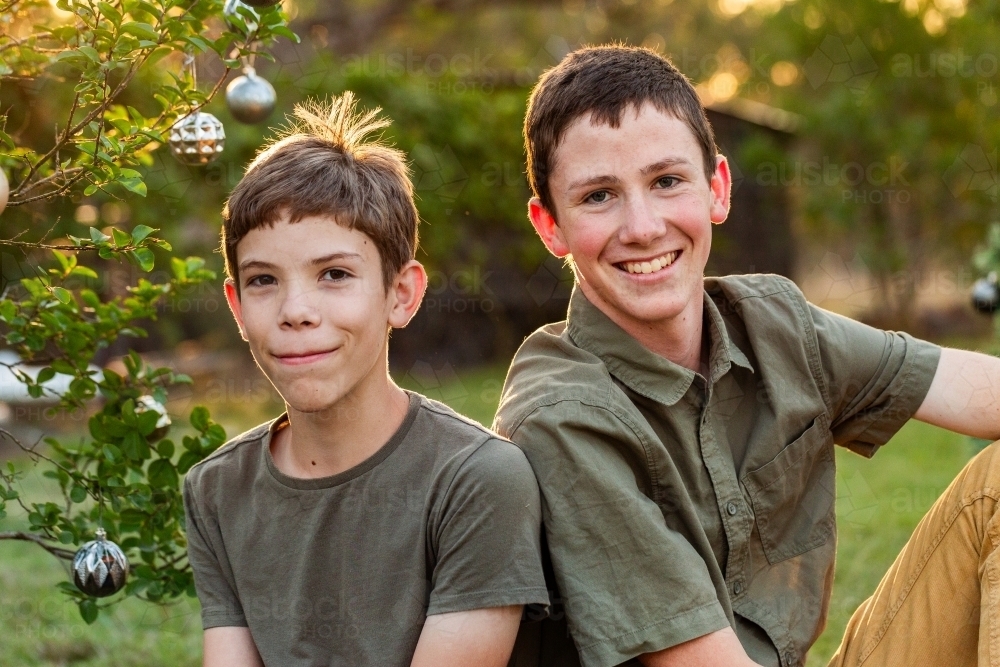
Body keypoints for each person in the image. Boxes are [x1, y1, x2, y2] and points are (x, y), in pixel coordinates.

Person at [493, 45, 1000, 667]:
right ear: (551, 228)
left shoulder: (770, 321)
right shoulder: (560, 415)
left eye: (667, 181)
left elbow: (976, 388)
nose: (643, 226)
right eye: (599, 196)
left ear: (717, 189)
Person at [182, 93, 549, 667]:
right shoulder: (216, 490)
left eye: (334, 274)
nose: (295, 310)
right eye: (262, 281)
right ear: (235, 305)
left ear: (400, 294)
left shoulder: (477, 480)